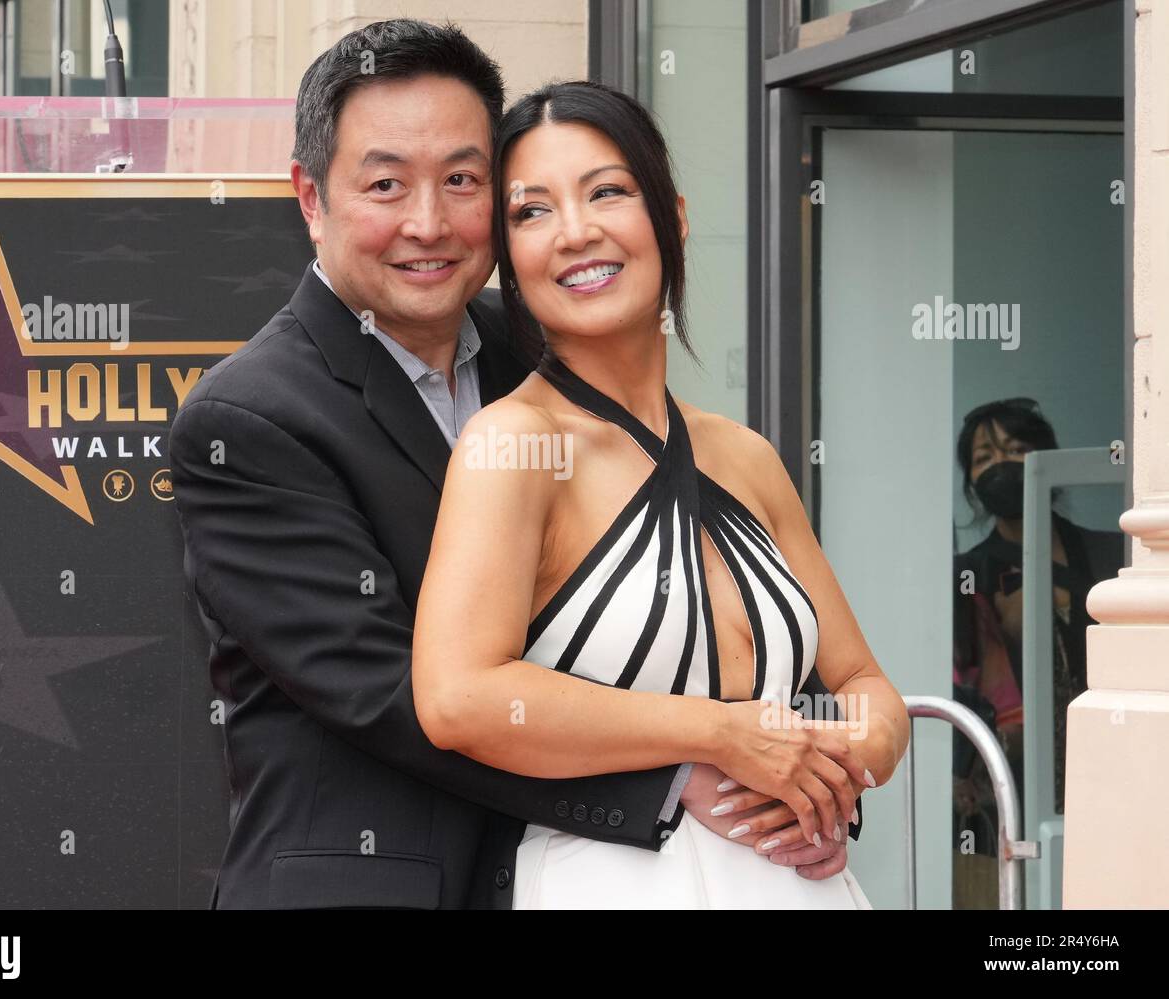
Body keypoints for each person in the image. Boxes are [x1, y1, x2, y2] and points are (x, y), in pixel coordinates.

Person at [171, 19, 861, 910]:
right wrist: (684, 771)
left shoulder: (545, 346)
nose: (429, 222)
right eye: (386, 184)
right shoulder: (251, 417)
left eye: (462, 181)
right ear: (311, 196)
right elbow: (398, 697)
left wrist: (805, 778)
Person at [411, 80, 910, 908]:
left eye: (608, 191)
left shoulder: (745, 455)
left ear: (672, 216)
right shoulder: (512, 445)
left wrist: (840, 761)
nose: (576, 232)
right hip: (617, 878)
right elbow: (457, 696)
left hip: (804, 882)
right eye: (532, 211)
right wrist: (724, 733)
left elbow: (865, 681)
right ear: (508, 253)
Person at [951, 398, 1122, 906]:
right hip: (1020, 782)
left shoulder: (1113, 553)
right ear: (971, 482)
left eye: (1015, 449)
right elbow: (967, 688)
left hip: (1109, 762)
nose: (1000, 464)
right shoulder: (970, 574)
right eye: (984, 457)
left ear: (1047, 459)